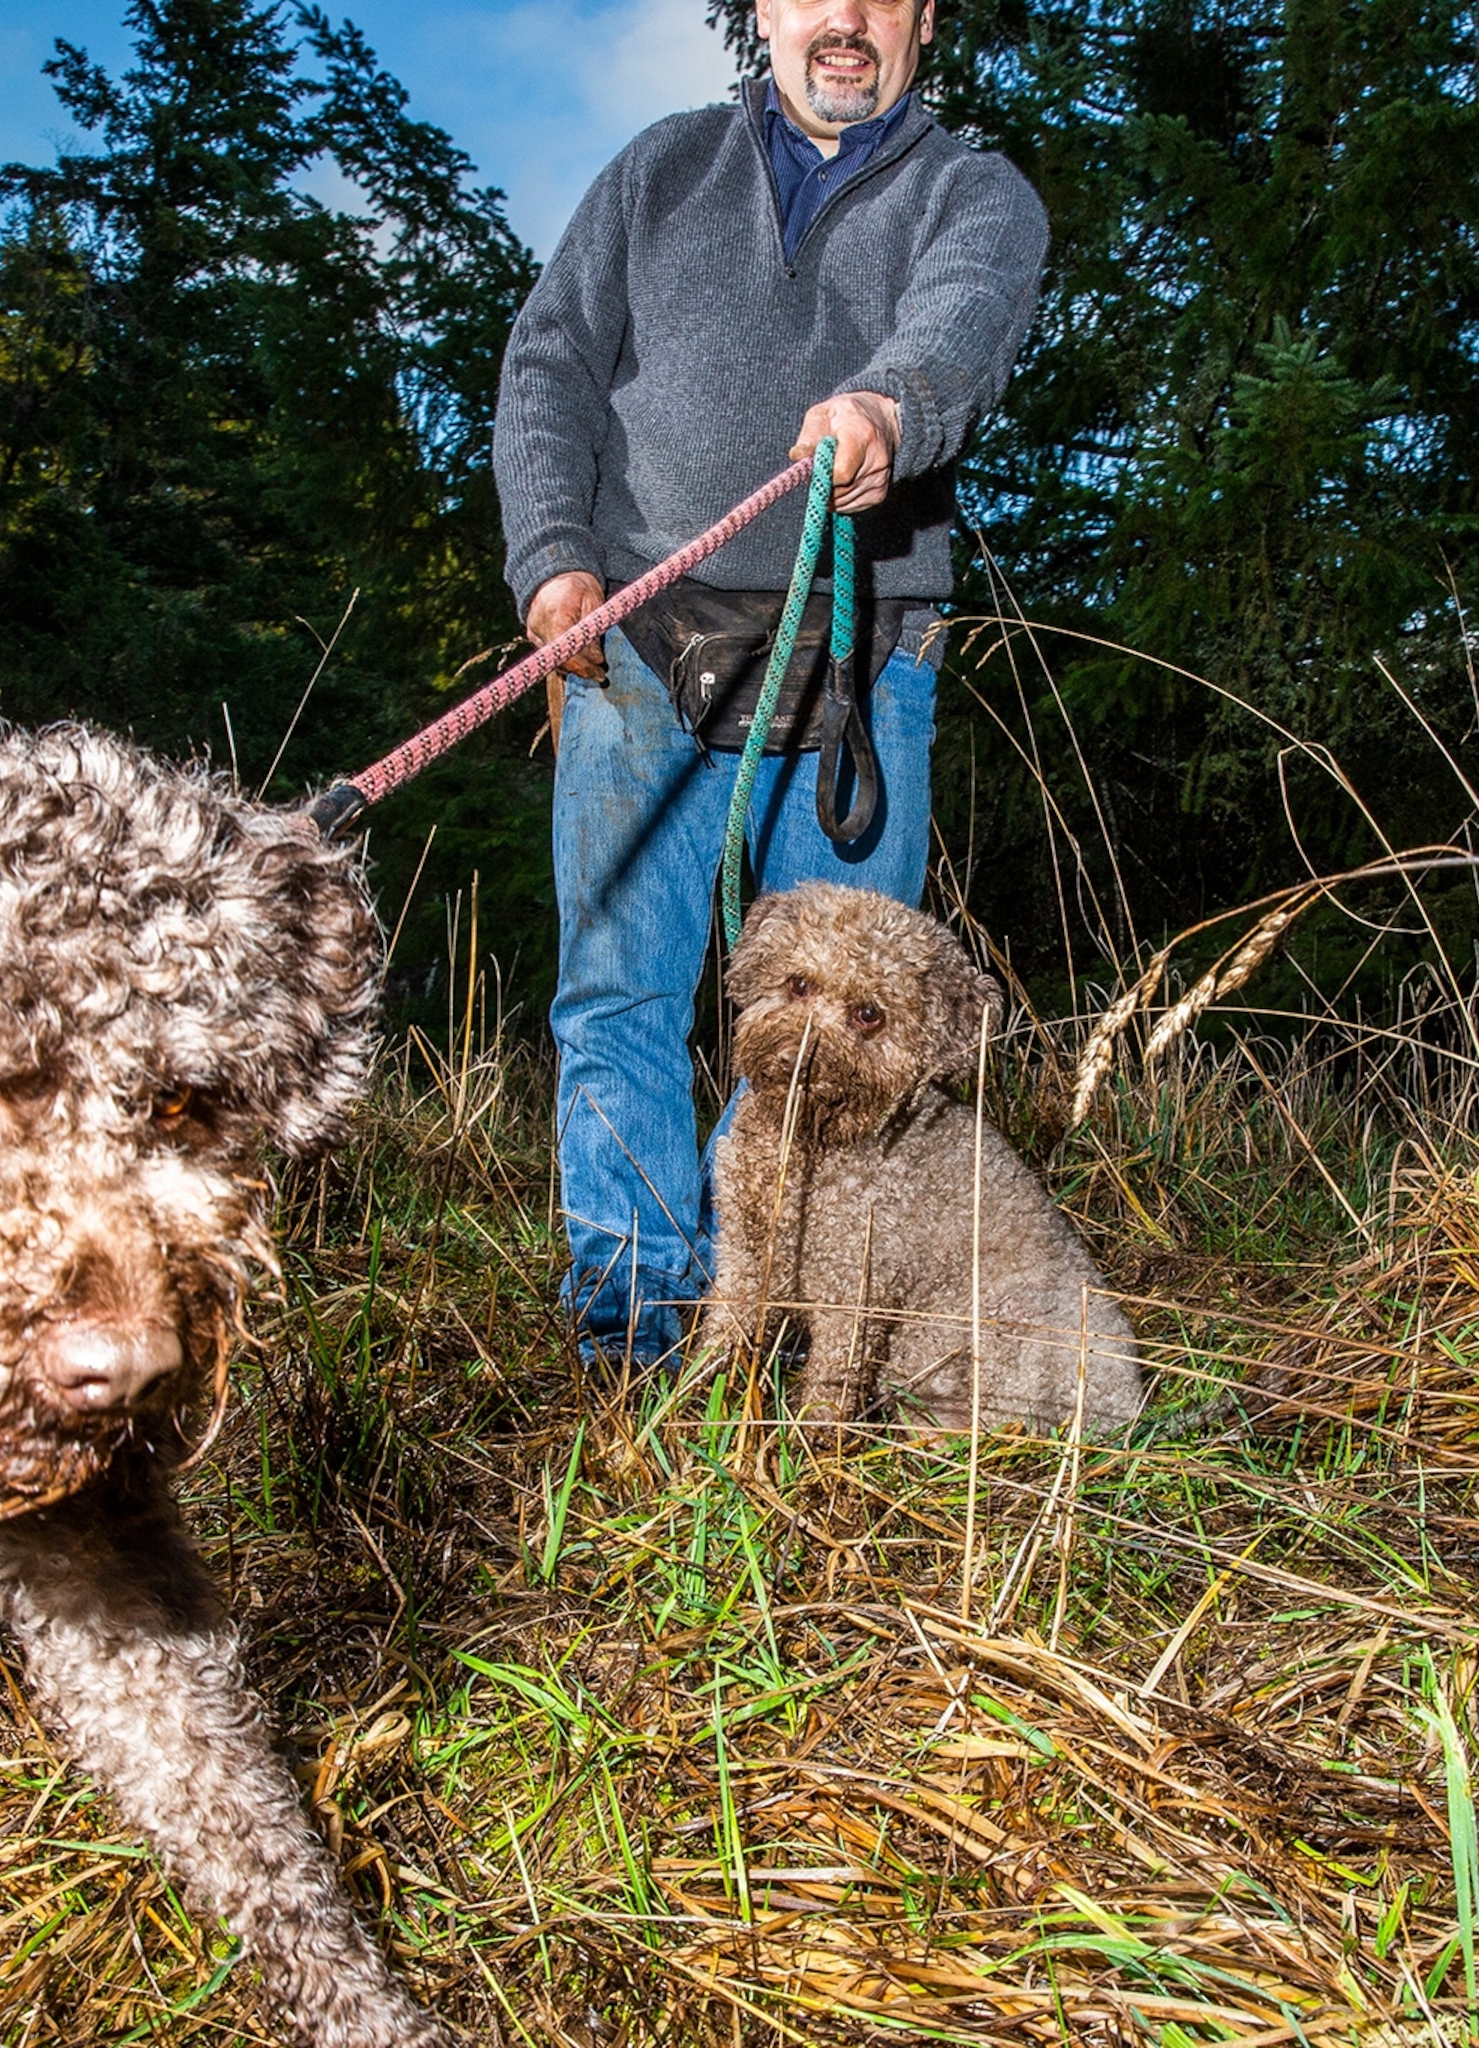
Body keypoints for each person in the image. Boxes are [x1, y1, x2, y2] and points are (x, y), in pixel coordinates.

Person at [494, 0, 1047, 1369]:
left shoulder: (976, 192)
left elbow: (965, 318)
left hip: (865, 655)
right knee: (617, 996)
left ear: (923, 15)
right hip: (637, 642)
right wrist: (555, 560)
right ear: (762, 12)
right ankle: (634, 1331)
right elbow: (548, 361)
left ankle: (782, 1343)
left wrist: (892, 406)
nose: (843, 19)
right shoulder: (658, 171)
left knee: (843, 1035)